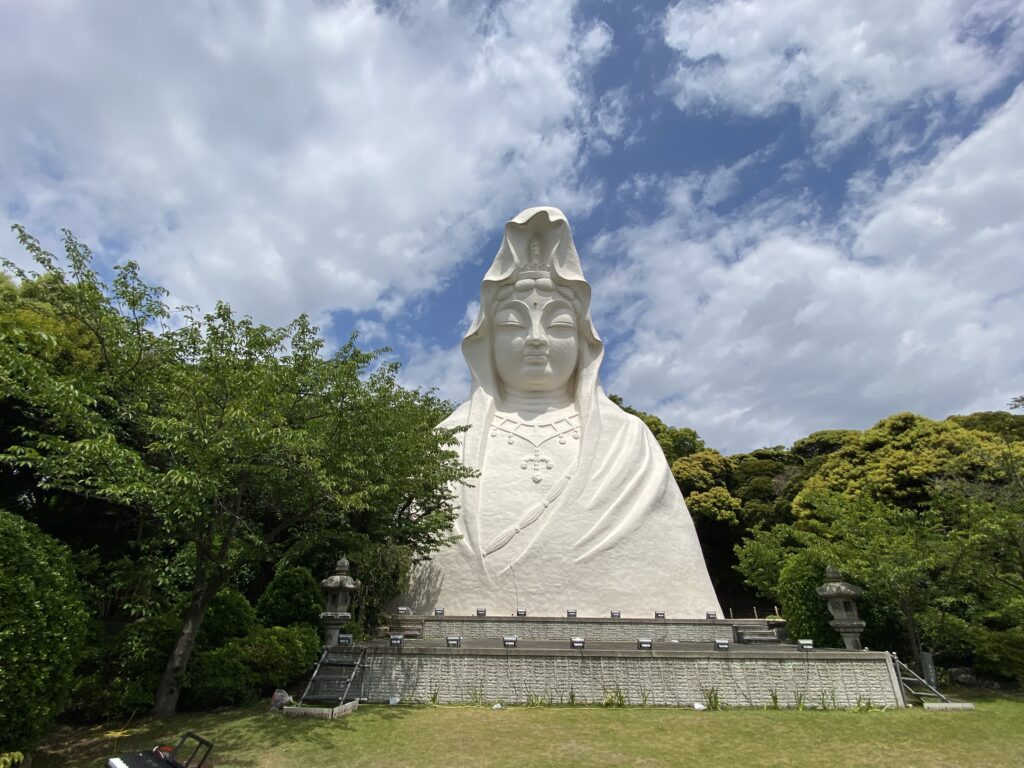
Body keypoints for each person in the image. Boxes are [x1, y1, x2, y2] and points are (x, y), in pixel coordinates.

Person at [405, 206, 721, 617]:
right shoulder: (445, 442)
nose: (536, 339)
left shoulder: (627, 440)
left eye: (557, 326)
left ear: (582, 340)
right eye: (514, 325)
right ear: (487, 342)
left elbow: (670, 564)